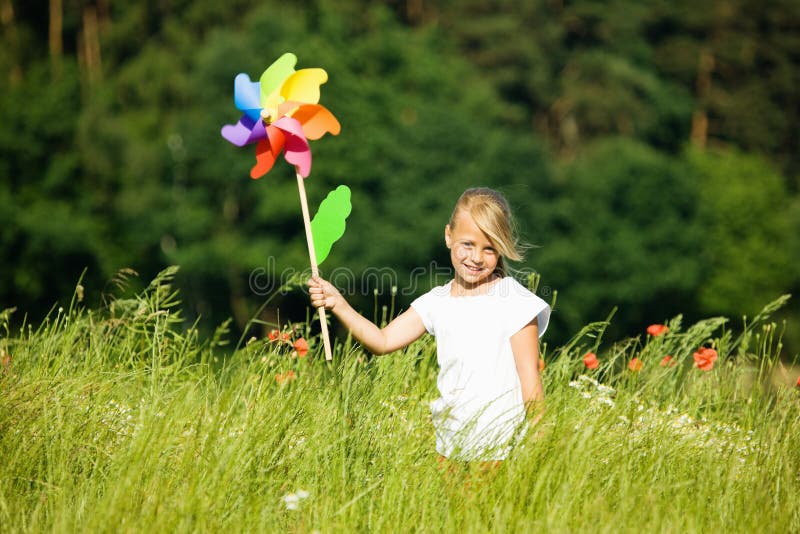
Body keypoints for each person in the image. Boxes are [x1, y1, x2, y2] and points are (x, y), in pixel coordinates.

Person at [308, 187, 550, 461]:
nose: (476, 257)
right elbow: (382, 341)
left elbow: (530, 377)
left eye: (489, 249)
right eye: (467, 244)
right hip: (449, 449)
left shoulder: (514, 301)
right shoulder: (436, 302)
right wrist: (337, 302)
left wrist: (538, 443)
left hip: (501, 451)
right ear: (449, 236)